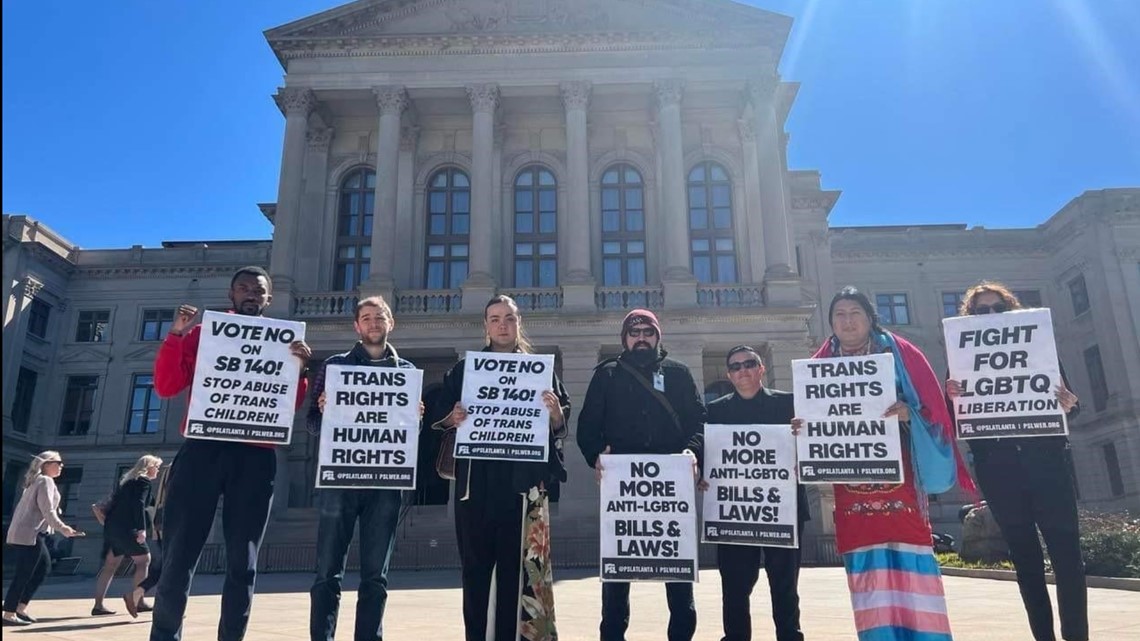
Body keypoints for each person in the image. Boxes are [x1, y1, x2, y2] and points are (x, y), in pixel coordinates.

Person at [796, 286, 975, 641]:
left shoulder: (902, 353)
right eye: (839, 315)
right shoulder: (820, 364)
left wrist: (910, 414)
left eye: (854, 313)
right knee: (866, 565)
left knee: (911, 557)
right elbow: (811, 416)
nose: (847, 322)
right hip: (851, 486)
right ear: (830, 323)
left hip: (902, 477)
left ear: (869, 317)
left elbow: (934, 409)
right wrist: (802, 426)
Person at [149, 266, 312, 641]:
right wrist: (175, 335)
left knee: (244, 561)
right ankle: (164, 636)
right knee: (179, 555)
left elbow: (289, 406)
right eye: (244, 288)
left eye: (258, 290)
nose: (251, 294)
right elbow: (166, 386)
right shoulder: (204, 334)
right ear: (231, 295)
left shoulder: (284, 344)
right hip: (203, 450)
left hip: (254, 457)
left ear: (268, 299)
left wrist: (300, 369)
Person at [946, 281, 1085, 641]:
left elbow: (1072, 405)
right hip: (1000, 471)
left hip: (1048, 467)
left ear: (1011, 312)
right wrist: (952, 397)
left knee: (1068, 560)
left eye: (998, 309)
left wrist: (1071, 403)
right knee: (1027, 564)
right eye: (981, 311)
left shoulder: (1041, 351)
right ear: (970, 317)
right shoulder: (962, 363)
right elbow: (954, 421)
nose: (990, 315)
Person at [432, 295, 570, 641]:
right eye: (494, 318)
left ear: (518, 322)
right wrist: (452, 417)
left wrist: (555, 414)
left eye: (509, 318)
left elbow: (559, 420)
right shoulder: (466, 370)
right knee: (474, 573)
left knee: (515, 575)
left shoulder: (538, 370)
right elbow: (438, 413)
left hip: (520, 488)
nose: (502, 325)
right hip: (474, 487)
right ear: (486, 325)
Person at [577, 309, 706, 641]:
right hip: (623, 493)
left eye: (647, 331)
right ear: (625, 338)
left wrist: (693, 451)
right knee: (616, 585)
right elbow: (587, 427)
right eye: (634, 332)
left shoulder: (678, 373)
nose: (641, 337)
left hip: (670, 491)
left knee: (679, 584)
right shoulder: (606, 375)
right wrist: (597, 456)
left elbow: (698, 422)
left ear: (657, 336)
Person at [307, 296, 420, 641]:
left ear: (391, 323)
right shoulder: (334, 366)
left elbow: (408, 437)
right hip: (339, 483)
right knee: (327, 573)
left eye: (379, 317)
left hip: (385, 486)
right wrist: (324, 411)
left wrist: (416, 420)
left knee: (376, 577)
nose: (373, 323)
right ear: (357, 326)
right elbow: (311, 424)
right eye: (366, 318)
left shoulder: (407, 373)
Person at [682, 346, 809, 641]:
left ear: (761, 368)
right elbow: (703, 447)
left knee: (785, 586)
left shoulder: (790, 405)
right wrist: (701, 471)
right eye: (736, 366)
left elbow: (814, 446)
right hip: (733, 513)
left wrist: (804, 438)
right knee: (736, 588)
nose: (743, 370)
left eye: (749, 364)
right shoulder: (715, 411)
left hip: (782, 512)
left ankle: (790, 636)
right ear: (729, 375)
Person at [3, 451, 84, 627]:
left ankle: (19, 608)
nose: (62, 466)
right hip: (29, 534)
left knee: (41, 569)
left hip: (30, 534)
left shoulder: (39, 481)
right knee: (24, 574)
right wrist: (64, 528)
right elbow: (48, 510)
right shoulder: (45, 481)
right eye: (58, 462)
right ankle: (9, 613)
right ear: (47, 463)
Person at [91, 454, 163, 617]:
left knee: (110, 566)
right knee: (144, 560)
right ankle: (139, 600)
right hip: (128, 529)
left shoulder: (126, 482)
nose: (157, 470)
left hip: (112, 528)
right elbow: (138, 504)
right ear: (149, 466)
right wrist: (141, 529)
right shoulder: (143, 481)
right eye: (156, 466)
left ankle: (98, 605)